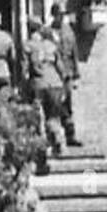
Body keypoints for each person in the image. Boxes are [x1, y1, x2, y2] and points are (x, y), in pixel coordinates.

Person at [24, 18, 67, 156]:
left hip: (38, 85)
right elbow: (61, 68)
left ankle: (43, 148)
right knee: (54, 117)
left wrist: (23, 87)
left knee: (39, 118)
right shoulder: (51, 46)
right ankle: (60, 142)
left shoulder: (28, 46)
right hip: (55, 84)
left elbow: (25, 71)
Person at [49, 2, 82, 146]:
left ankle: (70, 136)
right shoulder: (48, 32)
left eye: (62, 15)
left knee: (67, 106)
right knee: (54, 105)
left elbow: (74, 53)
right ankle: (53, 138)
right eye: (58, 15)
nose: (61, 18)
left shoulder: (69, 31)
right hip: (53, 74)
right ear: (53, 15)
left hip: (67, 74)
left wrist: (76, 74)